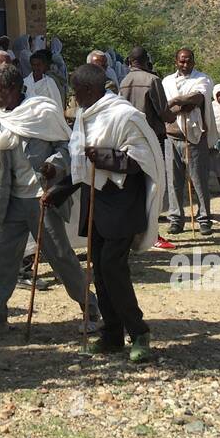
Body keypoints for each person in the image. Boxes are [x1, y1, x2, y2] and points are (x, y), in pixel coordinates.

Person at [0, 63, 101, 337]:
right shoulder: (2, 116)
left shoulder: (42, 111)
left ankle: (92, 310)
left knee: (61, 257)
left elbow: (67, 145)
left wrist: (54, 165)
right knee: (3, 259)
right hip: (12, 201)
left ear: (13, 88)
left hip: (42, 199)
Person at [44, 65, 165, 362]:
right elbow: (81, 166)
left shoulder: (123, 115)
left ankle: (139, 332)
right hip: (96, 203)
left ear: (87, 91)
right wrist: (56, 194)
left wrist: (106, 157)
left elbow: (142, 160)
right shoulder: (86, 117)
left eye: (75, 92)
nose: (74, 97)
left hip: (122, 203)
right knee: (99, 268)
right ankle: (112, 335)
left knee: (113, 267)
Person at [161, 48, 216, 238]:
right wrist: (179, 105)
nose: (185, 65)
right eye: (182, 61)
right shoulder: (167, 81)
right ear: (176, 61)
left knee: (199, 179)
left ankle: (204, 219)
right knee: (174, 180)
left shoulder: (203, 79)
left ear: (194, 62)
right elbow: (164, 106)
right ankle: (176, 219)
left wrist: (175, 101)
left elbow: (197, 98)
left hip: (194, 136)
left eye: (189, 61)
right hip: (171, 135)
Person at [119, 46, 167, 147]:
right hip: (152, 137)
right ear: (147, 61)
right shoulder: (153, 80)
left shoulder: (123, 82)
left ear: (129, 61)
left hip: (131, 136)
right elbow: (163, 111)